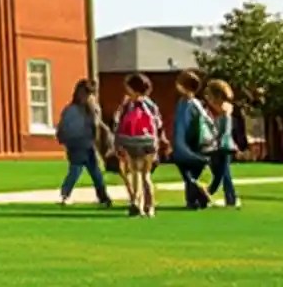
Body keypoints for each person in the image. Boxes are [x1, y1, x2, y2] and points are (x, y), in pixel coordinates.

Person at [55, 79, 113, 207]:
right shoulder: (88, 109)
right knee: (88, 171)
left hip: (77, 144)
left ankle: (67, 195)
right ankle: (102, 197)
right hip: (83, 143)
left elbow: (63, 127)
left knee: (82, 170)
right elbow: (96, 127)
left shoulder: (71, 109)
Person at [111, 73, 163, 217]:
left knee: (135, 173)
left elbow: (118, 122)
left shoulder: (128, 104)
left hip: (131, 141)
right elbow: (158, 124)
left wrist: (117, 143)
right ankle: (150, 206)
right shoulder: (151, 105)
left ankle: (136, 203)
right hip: (148, 141)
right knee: (146, 175)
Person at [171, 69, 216, 210]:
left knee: (189, 175)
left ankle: (199, 196)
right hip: (182, 143)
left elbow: (206, 121)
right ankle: (194, 201)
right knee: (188, 175)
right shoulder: (182, 103)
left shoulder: (192, 104)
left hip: (191, 144)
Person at [205, 79, 242, 208]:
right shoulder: (222, 109)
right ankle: (211, 194)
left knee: (223, 173)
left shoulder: (224, 109)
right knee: (220, 173)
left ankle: (227, 197)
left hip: (223, 146)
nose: (208, 99)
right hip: (222, 145)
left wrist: (218, 140)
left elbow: (225, 129)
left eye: (210, 96)